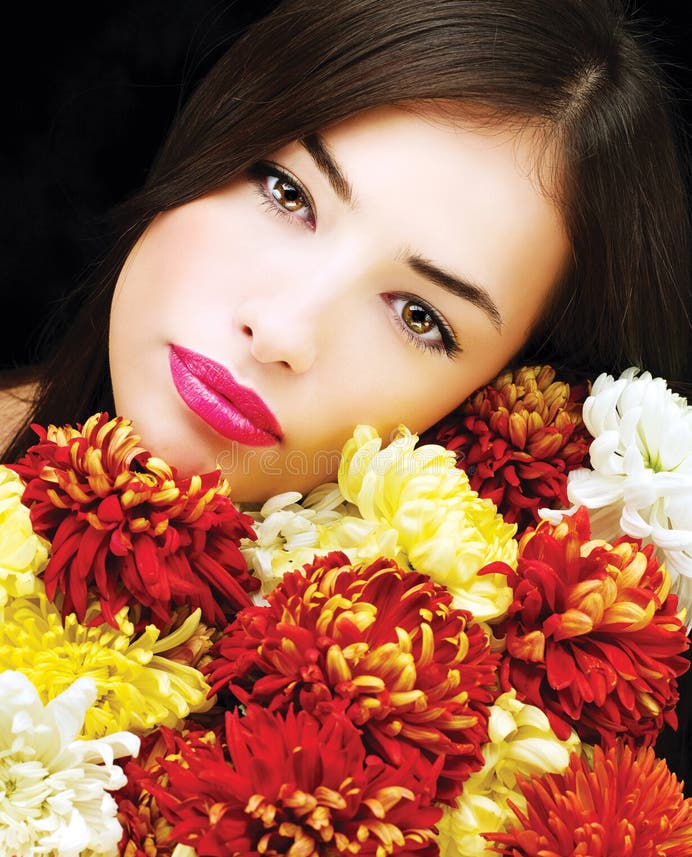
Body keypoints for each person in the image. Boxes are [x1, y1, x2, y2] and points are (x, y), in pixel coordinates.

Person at [1, 0, 691, 784]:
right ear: (214, 132)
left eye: (419, 316)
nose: (282, 331)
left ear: (511, 400)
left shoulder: (426, 796)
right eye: (287, 193)